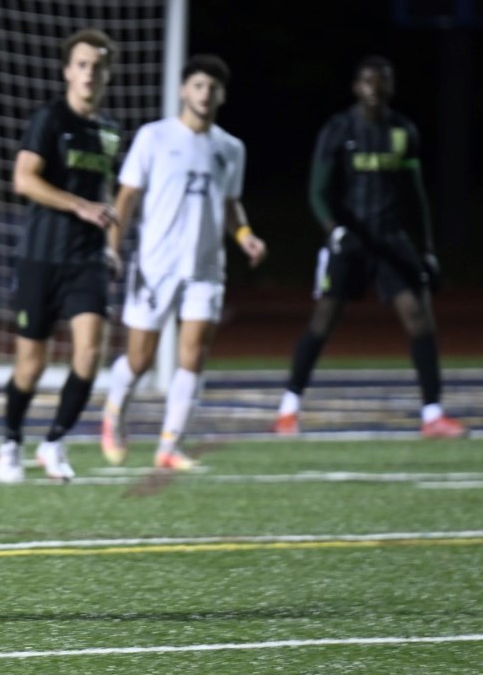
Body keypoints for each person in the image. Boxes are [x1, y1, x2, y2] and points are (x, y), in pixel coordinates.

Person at [271, 56, 467, 439]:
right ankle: (288, 409)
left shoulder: (402, 131)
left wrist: (427, 248)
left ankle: (432, 414)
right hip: (351, 240)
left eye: (382, 82)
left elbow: (416, 195)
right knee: (324, 319)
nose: (374, 89)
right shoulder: (339, 129)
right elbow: (317, 191)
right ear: (356, 87)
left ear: (391, 87)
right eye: (367, 82)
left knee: (419, 316)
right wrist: (334, 231)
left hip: (391, 239)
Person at [100, 54, 267, 471]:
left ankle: (170, 445)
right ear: (182, 90)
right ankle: (114, 410)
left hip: (205, 268)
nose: (204, 94)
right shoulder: (154, 137)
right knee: (140, 358)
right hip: (156, 266)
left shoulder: (231, 148)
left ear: (222, 95)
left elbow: (230, 204)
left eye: (212, 87)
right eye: (197, 85)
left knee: (194, 354)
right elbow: (126, 197)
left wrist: (245, 236)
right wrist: (112, 247)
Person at [0, 28, 122, 484]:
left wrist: (111, 247)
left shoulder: (109, 132)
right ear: (68, 71)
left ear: (107, 74)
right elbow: (24, 179)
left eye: (97, 66)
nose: (89, 73)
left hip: (86, 259)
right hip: (40, 257)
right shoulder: (49, 119)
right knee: (31, 364)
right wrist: (79, 206)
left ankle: (54, 441)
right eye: (82, 65)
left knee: (90, 352)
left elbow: (105, 192)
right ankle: (10, 441)